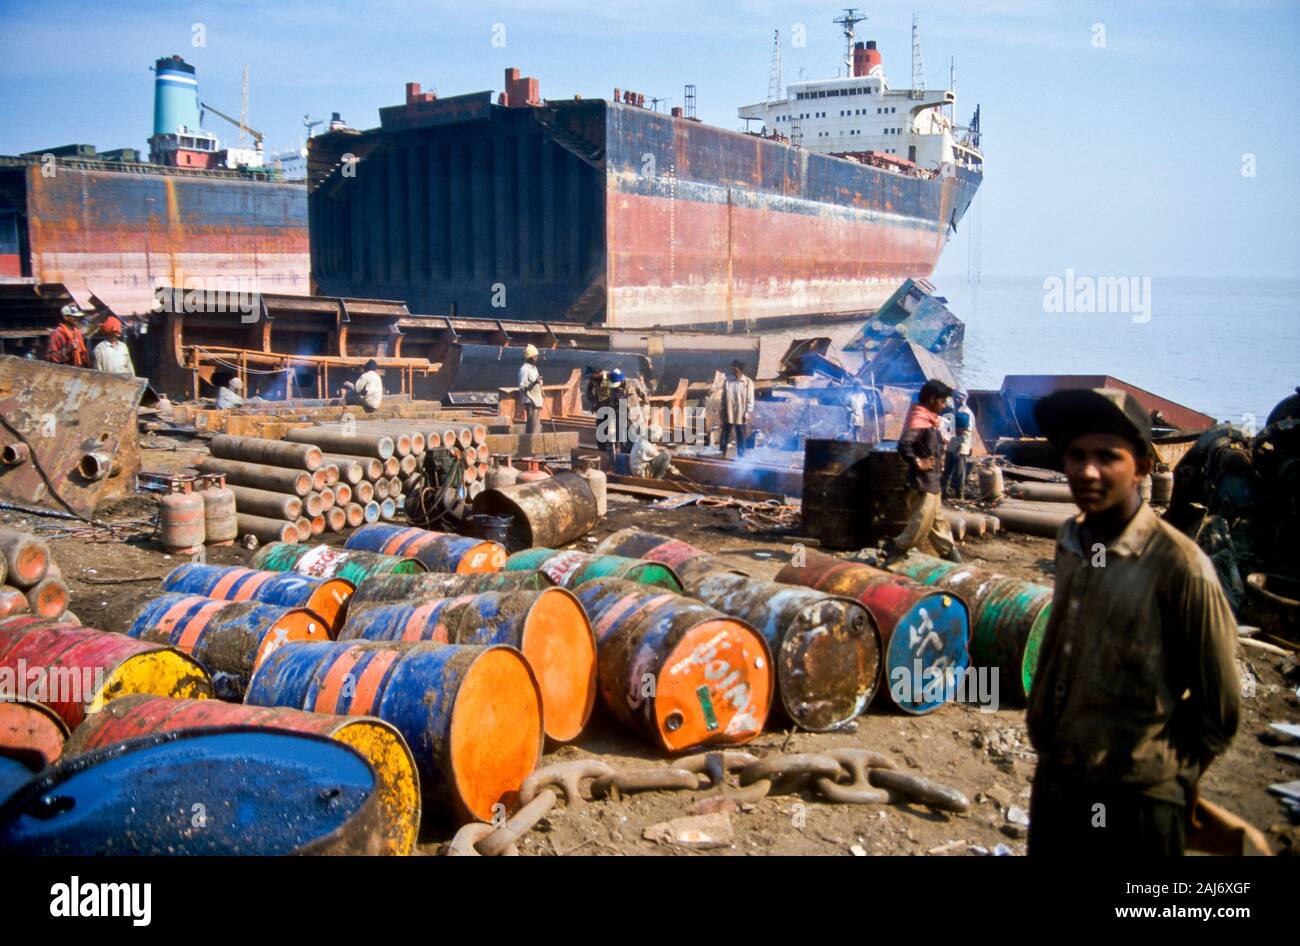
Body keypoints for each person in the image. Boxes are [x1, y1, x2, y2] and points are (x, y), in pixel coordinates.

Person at [1025, 388, 1239, 857]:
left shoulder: (1179, 567)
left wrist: (1156, 775)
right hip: (1058, 782)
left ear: (1142, 466)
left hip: (1136, 804)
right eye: (1076, 455)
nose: (1087, 471)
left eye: (1107, 457)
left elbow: (1218, 712)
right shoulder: (1071, 539)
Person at [886, 379, 960, 562]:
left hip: (933, 481)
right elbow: (904, 444)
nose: (943, 406)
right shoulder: (919, 418)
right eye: (942, 401)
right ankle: (893, 550)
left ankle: (956, 561)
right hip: (924, 482)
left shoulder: (929, 419)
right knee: (920, 523)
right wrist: (917, 461)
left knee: (938, 525)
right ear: (932, 399)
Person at [941, 390, 976, 499]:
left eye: (957, 397)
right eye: (954, 397)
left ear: (962, 399)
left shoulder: (965, 412)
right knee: (948, 468)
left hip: (961, 442)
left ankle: (959, 494)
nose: (955, 399)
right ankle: (944, 492)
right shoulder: (954, 410)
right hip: (955, 440)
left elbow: (961, 430)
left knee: (959, 471)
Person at [719, 360, 755, 458]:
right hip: (729, 412)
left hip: (741, 413)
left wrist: (748, 412)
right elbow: (723, 398)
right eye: (733, 370)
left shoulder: (748, 383)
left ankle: (741, 456)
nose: (735, 372)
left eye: (737, 370)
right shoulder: (728, 381)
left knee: (741, 435)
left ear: (741, 370)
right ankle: (722, 453)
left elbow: (750, 399)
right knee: (725, 434)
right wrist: (722, 411)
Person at [518, 344, 544, 434]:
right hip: (530, 401)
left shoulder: (534, 368)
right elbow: (522, 387)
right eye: (534, 356)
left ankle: (534, 444)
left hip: (537, 401)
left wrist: (539, 383)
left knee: (536, 426)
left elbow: (537, 381)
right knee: (532, 426)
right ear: (530, 357)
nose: (536, 358)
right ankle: (529, 444)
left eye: (536, 356)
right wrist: (534, 383)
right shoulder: (524, 369)